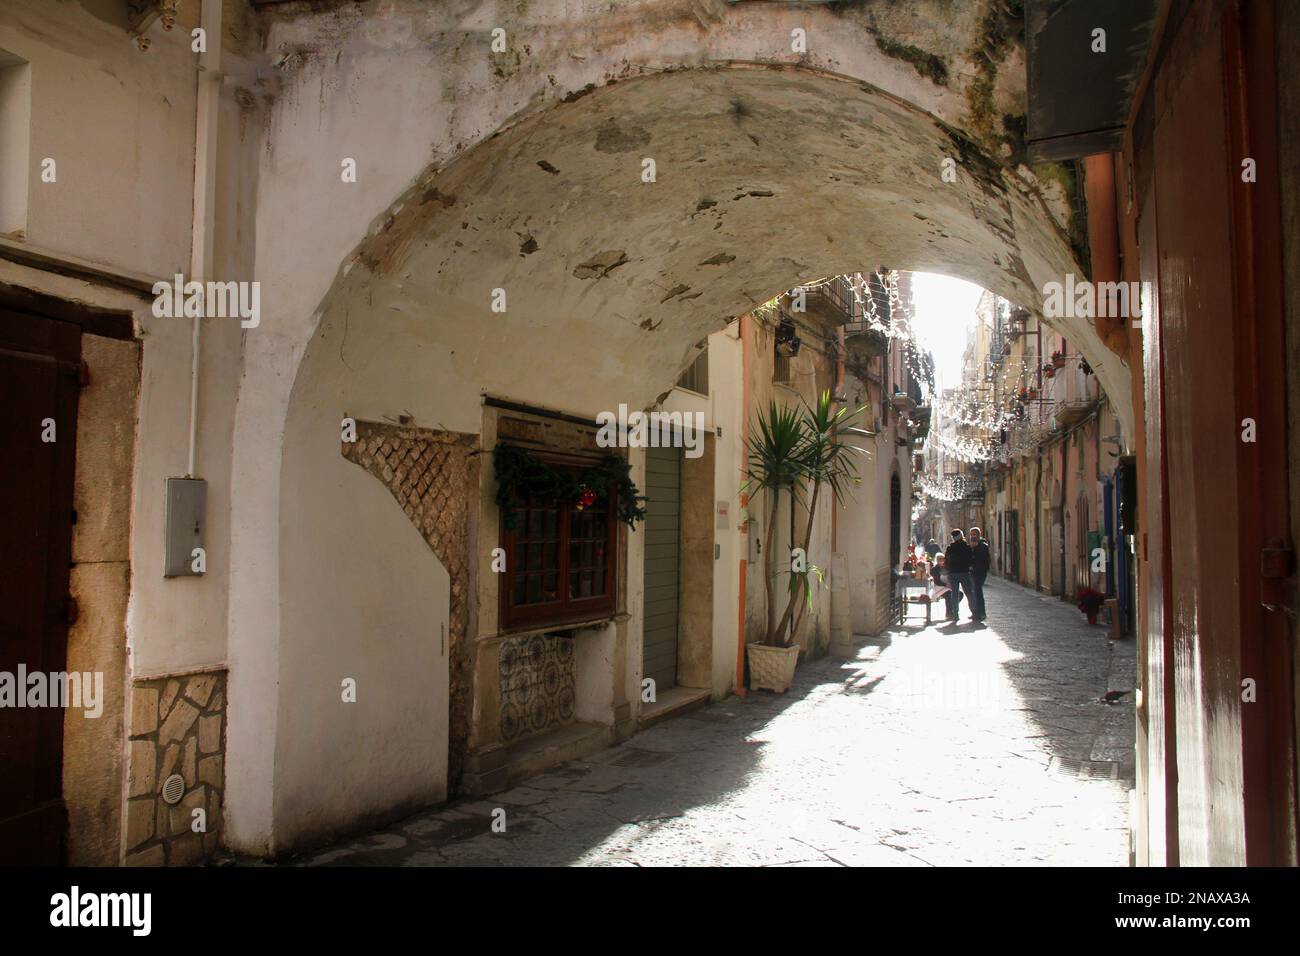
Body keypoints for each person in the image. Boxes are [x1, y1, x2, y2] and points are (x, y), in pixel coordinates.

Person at [943, 529, 977, 622]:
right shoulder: (967, 547)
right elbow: (971, 559)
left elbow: (946, 561)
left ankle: (955, 613)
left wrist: (948, 569)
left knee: (954, 593)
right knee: (968, 592)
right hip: (964, 572)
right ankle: (974, 611)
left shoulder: (950, 548)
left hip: (952, 573)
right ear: (962, 536)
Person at [969, 527, 991, 622]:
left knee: (978, 592)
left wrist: (975, 548)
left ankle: (981, 613)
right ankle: (976, 612)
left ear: (978, 534)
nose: (973, 536)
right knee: (975, 592)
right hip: (973, 572)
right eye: (971, 534)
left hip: (980, 572)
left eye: (974, 534)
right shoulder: (972, 546)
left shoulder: (983, 546)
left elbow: (982, 559)